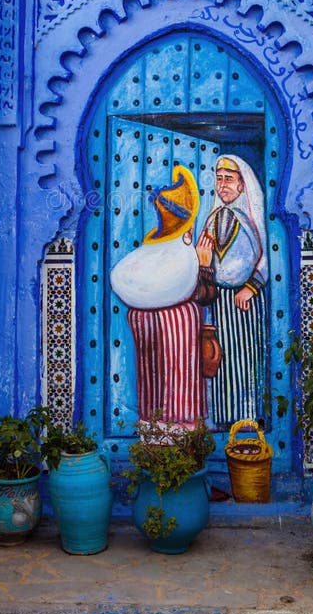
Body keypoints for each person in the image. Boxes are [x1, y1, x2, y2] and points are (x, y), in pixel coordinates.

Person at [110, 165, 207, 425]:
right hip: (166, 329)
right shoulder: (176, 253)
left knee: (165, 386)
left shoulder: (166, 254)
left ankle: (167, 437)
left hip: (165, 328)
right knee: (158, 383)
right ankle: (167, 437)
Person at [196, 155, 268, 428]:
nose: (223, 184)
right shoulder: (216, 217)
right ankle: (224, 418)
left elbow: (265, 257)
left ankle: (247, 416)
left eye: (229, 179)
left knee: (245, 358)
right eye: (219, 178)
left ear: (242, 184)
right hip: (218, 303)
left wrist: (251, 288)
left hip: (243, 303)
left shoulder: (248, 217)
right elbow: (205, 260)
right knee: (220, 359)